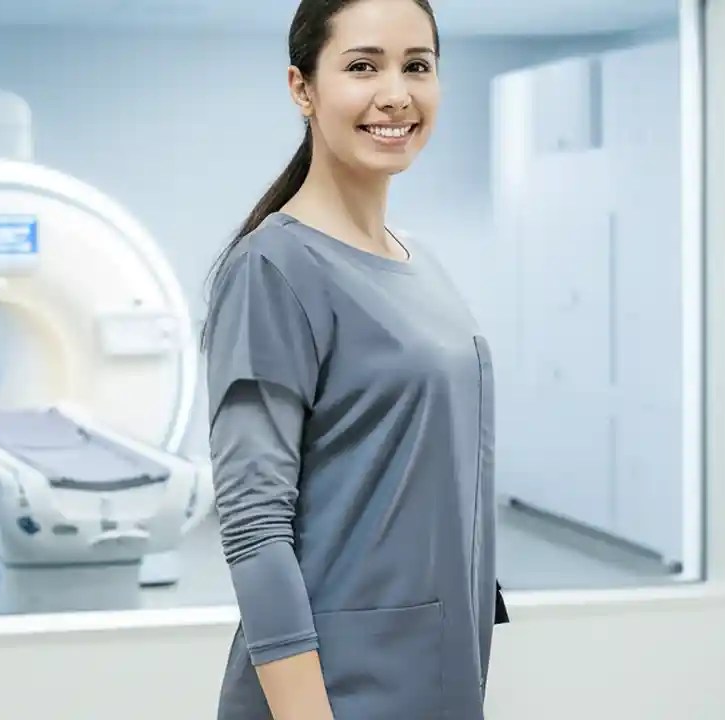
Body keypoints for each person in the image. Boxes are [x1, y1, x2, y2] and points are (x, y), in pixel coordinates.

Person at [200, 0, 509, 717]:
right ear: (302, 88)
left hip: (436, 676)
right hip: (333, 694)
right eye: (363, 66)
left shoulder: (421, 261)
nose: (395, 93)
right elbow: (254, 524)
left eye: (418, 66)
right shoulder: (274, 267)